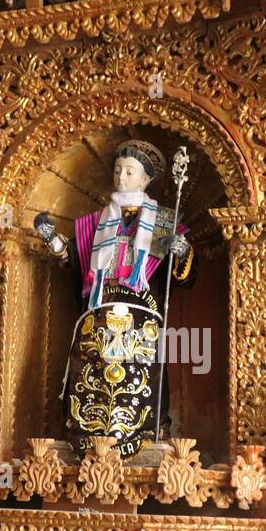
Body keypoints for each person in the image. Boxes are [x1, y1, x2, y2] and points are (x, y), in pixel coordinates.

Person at [34, 139, 193, 458]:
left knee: (141, 377)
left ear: (146, 179)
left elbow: (180, 276)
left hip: (141, 319)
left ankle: (145, 431)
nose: (121, 177)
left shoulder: (164, 222)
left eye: (130, 172)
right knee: (90, 375)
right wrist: (54, 241)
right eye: (118, 170)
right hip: (98, 313)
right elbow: (77, 265)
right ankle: (86, 433)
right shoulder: (94, 223)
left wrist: (182, 252)